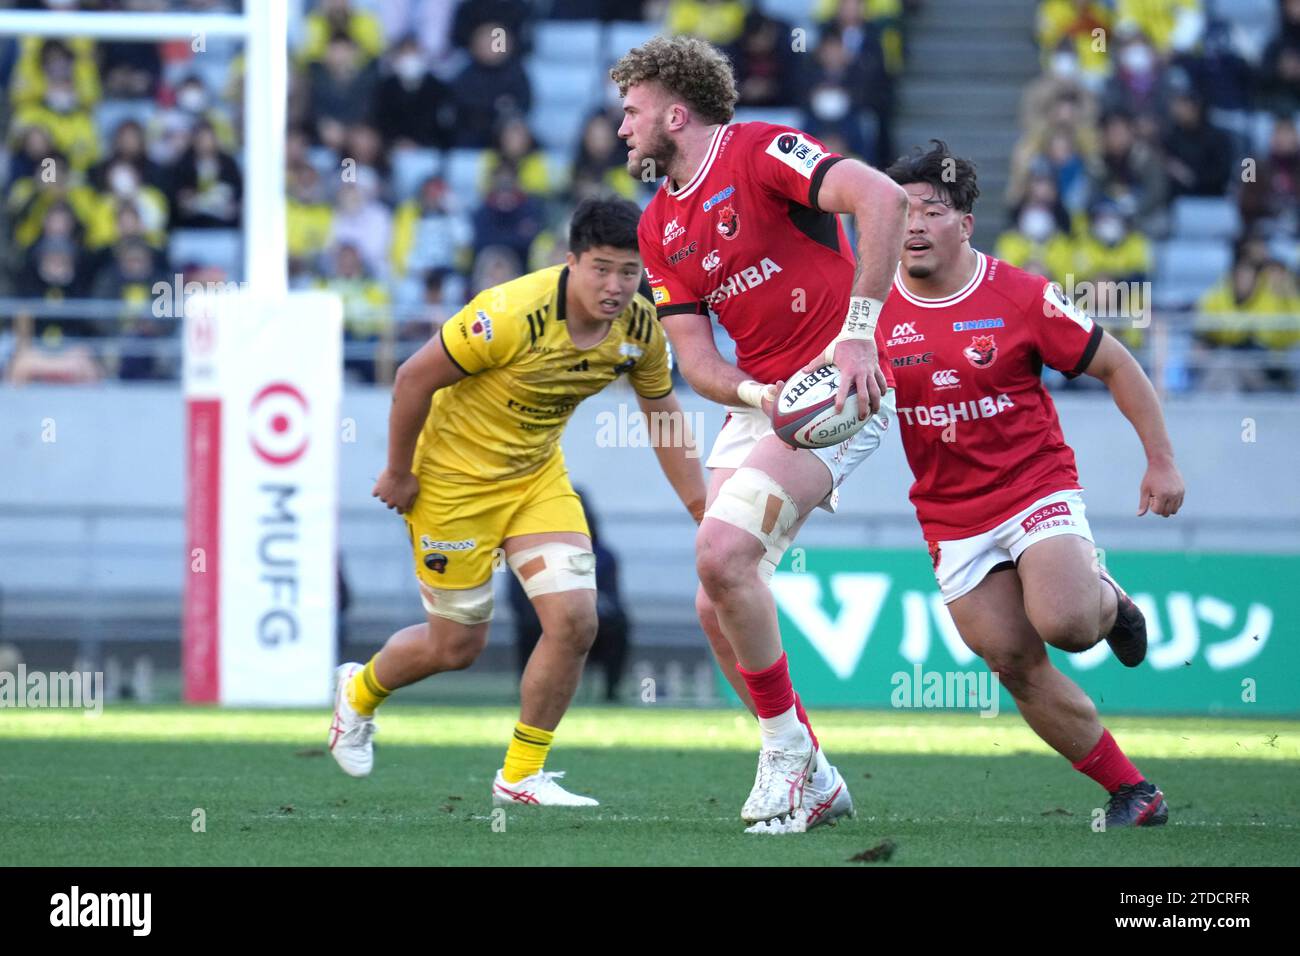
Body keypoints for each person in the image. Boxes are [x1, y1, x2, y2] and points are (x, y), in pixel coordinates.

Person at [612, 35, 906, 832]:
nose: (621, 128)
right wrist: (755, 392)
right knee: (715, 601)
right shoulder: (656, 227)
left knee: (722, 554)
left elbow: (884, 197)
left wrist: (860, 331)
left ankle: (784, 757)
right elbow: (695, 358)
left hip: (842, 379)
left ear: (677, 111)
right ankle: (811, 767)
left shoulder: (763, 148)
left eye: (632, 111)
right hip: (772, 398)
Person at [329, 198, 707, 806]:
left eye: (629, 272)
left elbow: (661, 412)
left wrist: (700, 507)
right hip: (452, 484)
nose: (615, 286)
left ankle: (520, 775)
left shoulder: (642, 327)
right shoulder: (506, 313)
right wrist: (398, 471)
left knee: (577, 619)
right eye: (602, 268)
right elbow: (411, 378)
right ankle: (359, 693)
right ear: (572, 261)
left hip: (537, 480)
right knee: (456, 647)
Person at [880, 140, 1183, 828]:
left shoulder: (1020, 295)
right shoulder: (868, 308)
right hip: (949, 514)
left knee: (1068, 627)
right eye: (902, 213)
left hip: (1032, 486)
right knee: (1013, 662)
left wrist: (1160, 459)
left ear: (966, 223)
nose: (915, 225)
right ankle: (1134, 793)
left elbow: (1117, 366)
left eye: (932, 210)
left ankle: (1107, 600)